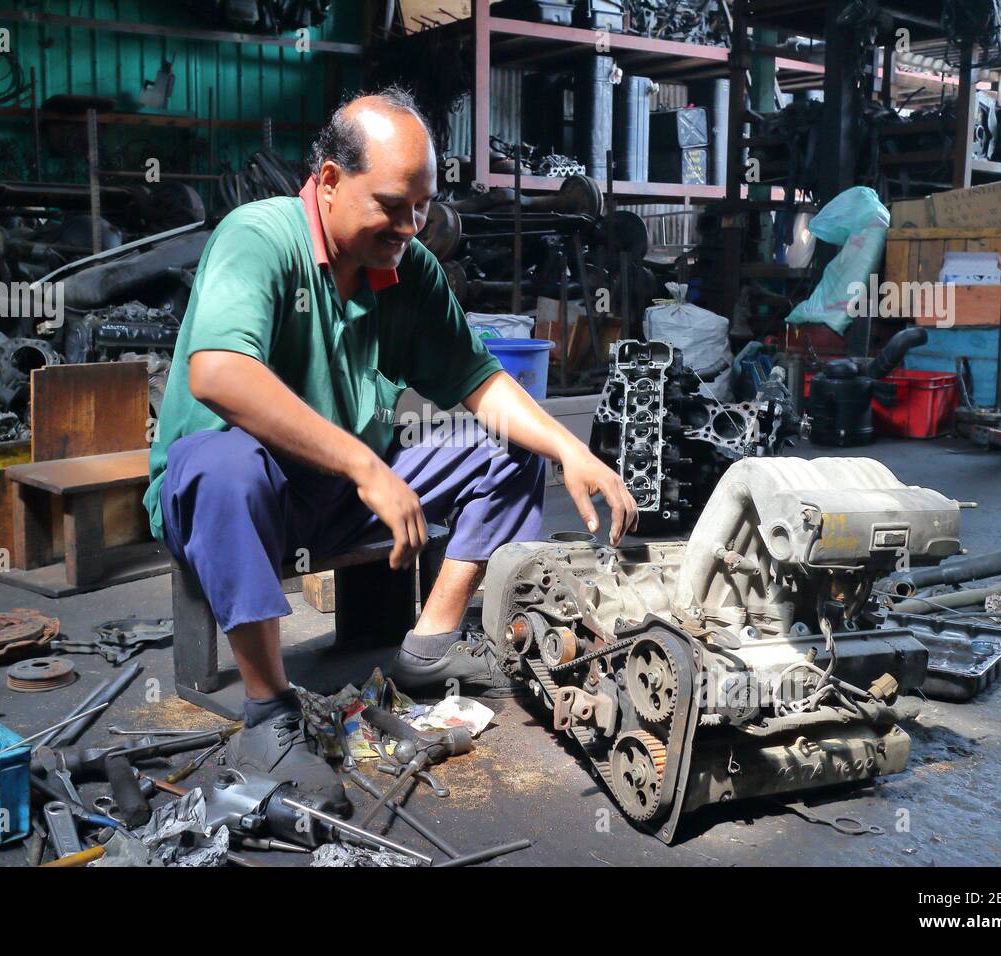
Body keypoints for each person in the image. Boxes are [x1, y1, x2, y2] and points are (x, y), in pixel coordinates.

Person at [145, 88, 636, 813]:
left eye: (423, 207)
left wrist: (572, 450)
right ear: (331, 181)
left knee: (513, 447)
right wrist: (365, 464)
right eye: (392, 205)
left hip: (339, 497)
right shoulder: (261, 238)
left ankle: (428, 648)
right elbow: (219, 373)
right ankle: (269, 711)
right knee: (223, 466)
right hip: (239, 498)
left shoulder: (407, 271)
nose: (410, 226)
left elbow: (481, 380)